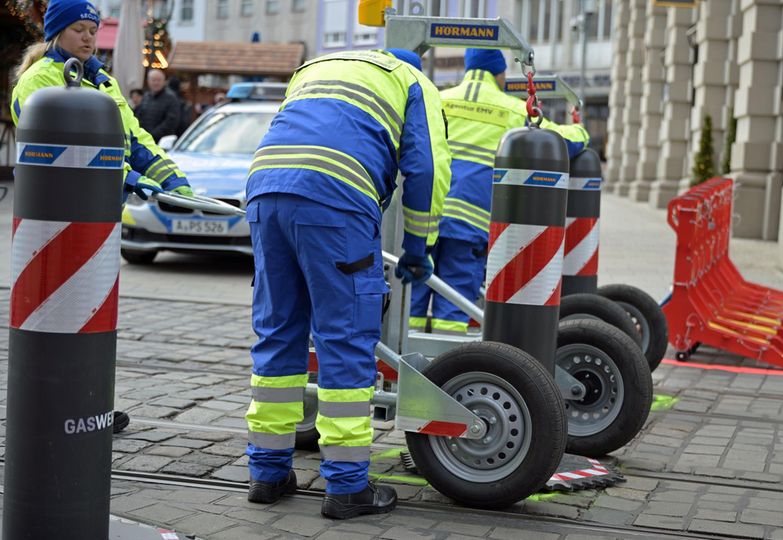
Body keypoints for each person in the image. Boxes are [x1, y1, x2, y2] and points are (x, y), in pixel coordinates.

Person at [243, 48, 450, 519]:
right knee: (345, 339)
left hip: (266, 187)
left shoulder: (316, 67)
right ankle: (347, 487)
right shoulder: (412, 81)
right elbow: (427, 170)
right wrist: (418, 248)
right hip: (335, 198)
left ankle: (268, 473)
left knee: (278, 332)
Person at [10, 0, 194, 433]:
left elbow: (134, 136)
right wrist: (127, 176)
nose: (89, 38)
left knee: (94, 317)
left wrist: (171, 179)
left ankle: (89, 402)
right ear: (56, 33)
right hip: (57, 221)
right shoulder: (40, 81)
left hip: (98, 220)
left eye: (92, 29)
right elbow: (59, 147)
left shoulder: (102, 80)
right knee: (59, 316)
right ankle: (58, 405)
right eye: (78, 29)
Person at [409, 49, 590, 334]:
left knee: (413, 291)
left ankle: (402, 354)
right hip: (469, 222)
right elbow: (560, 140)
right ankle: (444, 359)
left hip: (424, 215)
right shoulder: (513, 109)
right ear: (500, 72)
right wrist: (581, 130)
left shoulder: (438, 99)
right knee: (455, 297)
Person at [136, 68, 180, 140]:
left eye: (159, 80)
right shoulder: (146, 96)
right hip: (144, 139)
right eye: (153, 80)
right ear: (148, 81)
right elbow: (140, 116)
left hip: (162, 141)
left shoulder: (171, 98)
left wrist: (152, 135)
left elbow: (171, 122)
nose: (156, 83)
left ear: (164, 82)